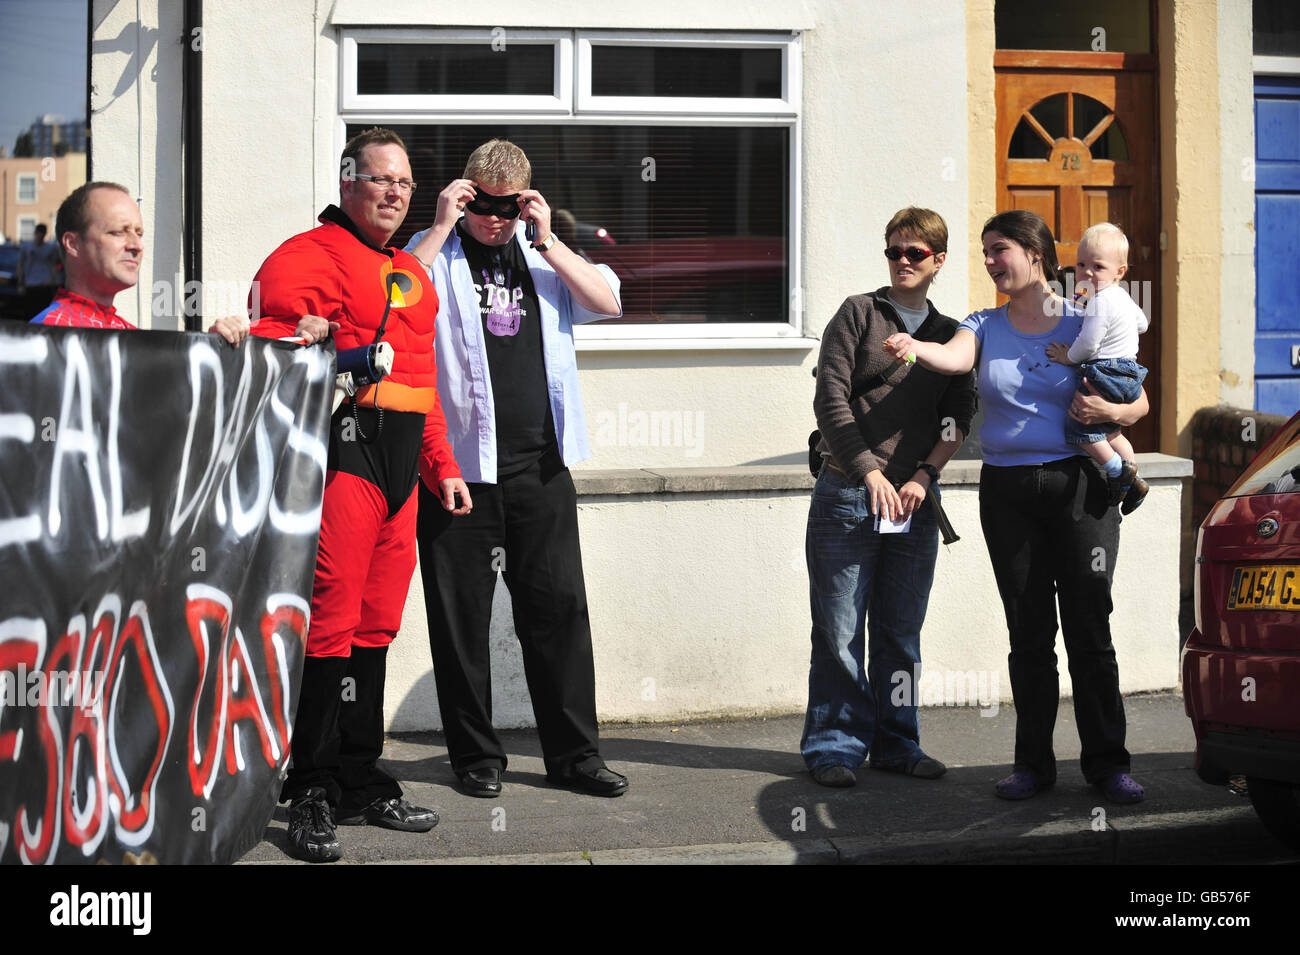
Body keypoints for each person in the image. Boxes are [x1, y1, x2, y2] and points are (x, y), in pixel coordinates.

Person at [249, 127, 471, 862]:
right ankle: (309, 784)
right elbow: (266, 341)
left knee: (376, 622)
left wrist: (443, 464)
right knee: (332, 618)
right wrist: (304, 335)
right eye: (382, 180)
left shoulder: (410, 269)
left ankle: (358, 772)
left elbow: (421, 378)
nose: (397, 193)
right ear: (349, 182)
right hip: (344, 455)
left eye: (406, 182)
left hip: (404, 465)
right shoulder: (305, 255)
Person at [883, 209, 1148, 805]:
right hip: (1008, 494)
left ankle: (1108, 767)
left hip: (1081, 486)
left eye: (999, 249)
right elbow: (953, 359)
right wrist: (914, 347)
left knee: (1089, 628)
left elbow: (1137, 400)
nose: (990, 261)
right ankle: (1033, 766)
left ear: (1035, 253)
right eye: (984, 252)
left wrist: (1112, 415)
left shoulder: (1090, 315)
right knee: (1028, 635)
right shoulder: (983, 323)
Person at [405, 139, 628, 799]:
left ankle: (576, 755)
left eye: (506, 207)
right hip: (457, 471)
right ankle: (476, 757)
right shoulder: (433, 249)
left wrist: (549, 236)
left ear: (524, 200)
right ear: (463, 193)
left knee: (558, 612)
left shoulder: (542, 253)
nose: (492, 221)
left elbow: (608, 300)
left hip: (542, 466)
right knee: (461, 619)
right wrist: (443, 223)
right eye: (481, 205)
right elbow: (392, 298)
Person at [801, 208, 976, 787]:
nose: (903, 260)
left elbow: (958, 418)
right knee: (839, 631)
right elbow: (831, 402)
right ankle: (834, 747)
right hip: (848, 496)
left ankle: (899, 744)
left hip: (914, 504)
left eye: (916, 253)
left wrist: (924, 476)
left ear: (938, 261)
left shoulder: (951, 333)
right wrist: (868, 472)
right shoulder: (858, 314)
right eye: (894, 251)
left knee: (901, 633)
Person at [30, 181, 246, 343]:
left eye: (139, 233)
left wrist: (215, 348)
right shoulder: (48, 335)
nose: (136, 245)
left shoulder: (129, 335)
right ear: (73, 244)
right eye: (118, 232)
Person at [1045, 222, 1150, 513]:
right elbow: (1142, 324)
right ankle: (1136, 478)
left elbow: (1088, 344)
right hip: (1131, 371)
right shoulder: (1123, 297)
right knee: (1112, 432)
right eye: (1081, 264)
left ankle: (1118, 473)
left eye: (1098, 267)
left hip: (1106, 370)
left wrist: (1068, 357)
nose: (1087, 272)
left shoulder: (1100, 302)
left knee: (1078, 427)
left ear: (1120, 271)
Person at [18, 223, 61, 315]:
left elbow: (54, 265)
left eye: (42, 235)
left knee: (43, 312)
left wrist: (51, 279)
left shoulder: (50, 248)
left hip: (44, 285)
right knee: (30, 312)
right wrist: (21, 283)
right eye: (38, 234)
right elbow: (20, 265)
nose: (40, 237)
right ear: (35, 233)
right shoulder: (26, 247)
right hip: (30, 284)